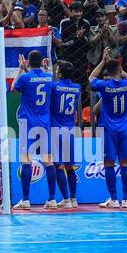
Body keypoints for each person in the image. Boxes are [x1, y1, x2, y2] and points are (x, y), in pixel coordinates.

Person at [90, 54, 127, 208]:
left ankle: (114, 199)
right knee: (125, 164)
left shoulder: (104, 86)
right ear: (120, 69)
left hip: (108, 130)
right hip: (124, 130)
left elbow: (91, 77)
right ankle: (126, 199)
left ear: (107, 71)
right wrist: (121, 71)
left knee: (109, 164)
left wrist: (103, 61)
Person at [13, 51, 54, 210]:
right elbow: (42, 81)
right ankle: (51, 200)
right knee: (48, 161)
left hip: (27, 123)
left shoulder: (25, 77)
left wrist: (21, 69)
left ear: (28, 62)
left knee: (26, 160)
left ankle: (26, 200)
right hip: (44, 123)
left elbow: (14, 88)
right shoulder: (49, 77)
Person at [49, 59, 82, 209]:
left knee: (58, 166)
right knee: (70, 166)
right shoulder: (77, 88)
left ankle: (66, 199)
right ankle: (74, 199)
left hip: (56, 128)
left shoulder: (55, 87)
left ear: (60, 73)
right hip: (70, 130)